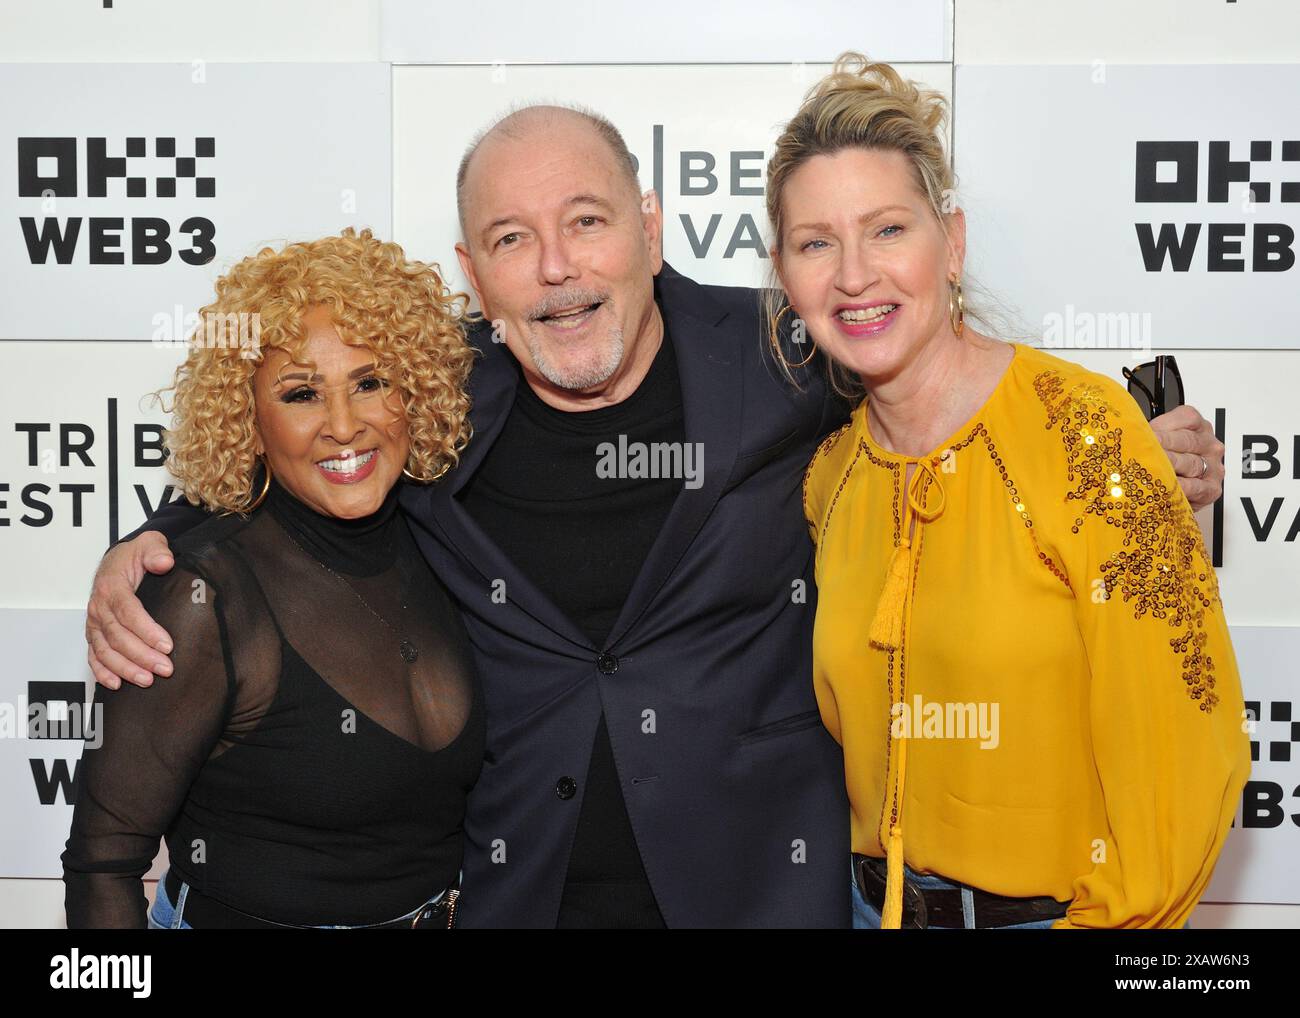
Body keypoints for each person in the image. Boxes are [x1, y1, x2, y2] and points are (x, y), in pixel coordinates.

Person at [83, 103, 1226, 929]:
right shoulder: (432, 402)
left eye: (585, 222)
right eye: (511, 240)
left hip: (763, 895)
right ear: (471, 274)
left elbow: (938, 366)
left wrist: (1120, 443)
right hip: (510, 896)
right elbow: (297, 454)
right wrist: (149, 547)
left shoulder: (783, 357)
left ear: (649, 225)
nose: (557, 270)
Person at [767, 54, 1251, 928]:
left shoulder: (1090, 439)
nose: (853, 275)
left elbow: (1186, 758)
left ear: (950, 244)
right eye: (815, 243)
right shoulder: (830, 476)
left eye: (886, 230)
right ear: (785, 274)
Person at [63, 228, 484, 928]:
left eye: (371, 382)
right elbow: (102, 864)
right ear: (248, 420)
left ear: (416, 392)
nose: (344, 426)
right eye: (301, 395)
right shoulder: (201, 596)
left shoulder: (445, 541)